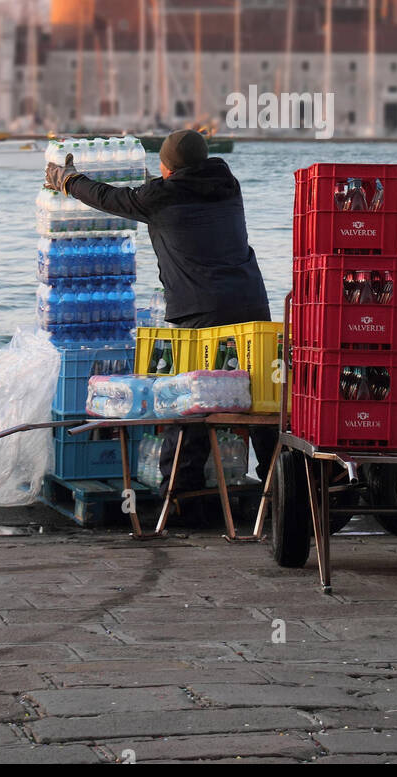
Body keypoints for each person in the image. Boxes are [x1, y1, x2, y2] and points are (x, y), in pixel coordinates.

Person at [45, 129, 275, 517]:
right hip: (250, 304)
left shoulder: (158, 198)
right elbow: (177, 189)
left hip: (201, 312)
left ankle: (182, 499)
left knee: (191, 403)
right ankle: (281, 489)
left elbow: (110, 198)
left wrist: (68, 181)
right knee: (259, 403)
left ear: (167, 167)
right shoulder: (226, 184)